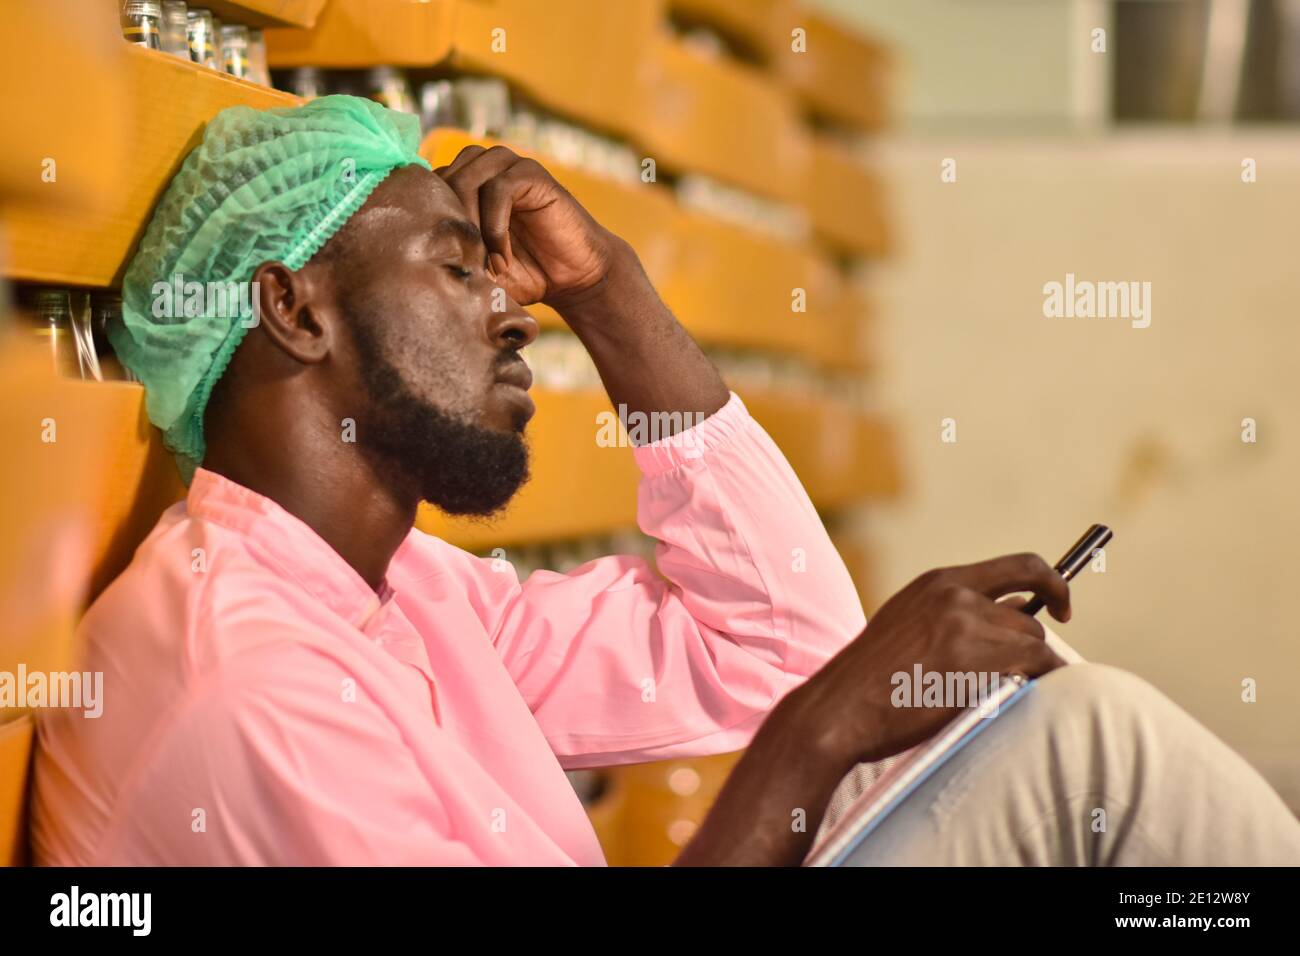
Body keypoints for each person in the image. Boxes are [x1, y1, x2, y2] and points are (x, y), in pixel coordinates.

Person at [31, 97, 1300, 866]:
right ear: (291, 309)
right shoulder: (253, 684)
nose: (509, 309)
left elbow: (769, 642)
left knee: (1067, 745)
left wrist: (608, 291)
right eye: (456, 269)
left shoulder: (398, 591)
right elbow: (794, 696)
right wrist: (820, 734)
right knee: (1095, 758)